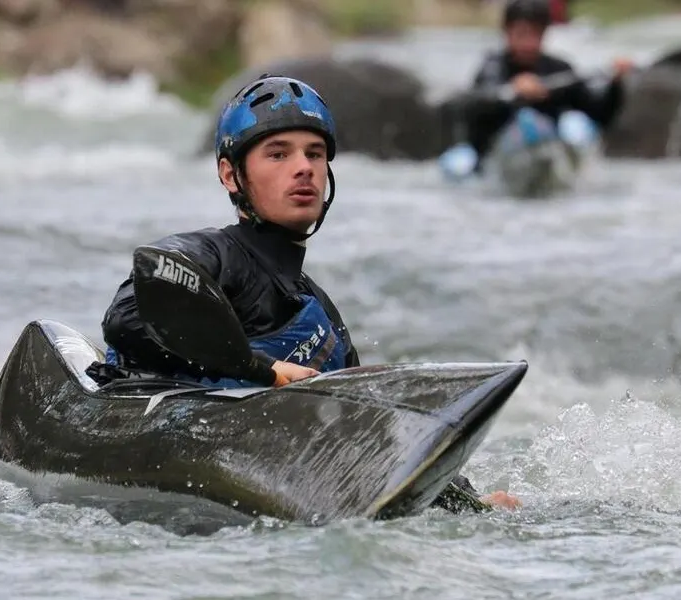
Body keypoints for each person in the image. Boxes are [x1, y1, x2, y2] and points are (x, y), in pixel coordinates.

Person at [99, 74, 521, 511]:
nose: (303, 168)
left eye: (315, 154)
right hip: (167, 457)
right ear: (230, 175)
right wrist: (261, 370)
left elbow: (369, 426)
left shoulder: (320, 317)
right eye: (278, 154)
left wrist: (467, 502)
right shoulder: (212, 254)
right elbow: (128, 318)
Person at [463, 0, 633, 166]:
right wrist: (516, 88)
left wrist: (615, 83)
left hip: (548, 150)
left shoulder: (559, 69)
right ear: (507, 32)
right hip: (498, 154)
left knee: (575, 125)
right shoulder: (492, 68)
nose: (528, 43)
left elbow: (599, 114)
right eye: (522, 34)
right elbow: (478, 104)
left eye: (535, 34)